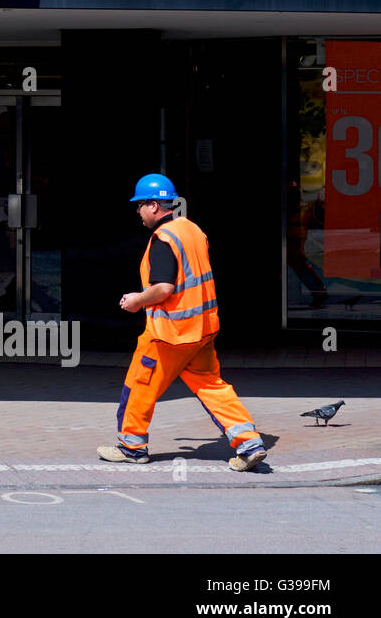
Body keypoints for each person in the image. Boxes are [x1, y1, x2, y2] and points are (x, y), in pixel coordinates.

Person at [98, 174, 268, 472]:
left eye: (140, 205)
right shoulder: (192, 230)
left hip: (169, 335)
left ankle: (131, 448)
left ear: (154, 206)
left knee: (138, 387)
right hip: (202, 330)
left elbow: (164, 288)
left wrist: (137, 300)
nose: (137, 211)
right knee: (212, 387)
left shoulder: (163, 239)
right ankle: (249, 443)